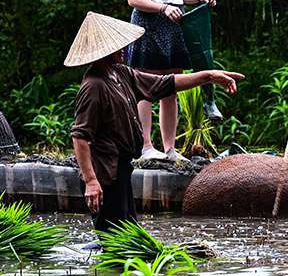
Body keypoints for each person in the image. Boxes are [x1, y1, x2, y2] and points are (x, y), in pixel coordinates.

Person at [67, 12, 243, 236]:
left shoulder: (121, 74)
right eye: (119, 45)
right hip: (105, 175)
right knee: (114, 244)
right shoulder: (94, 86)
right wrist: (91, 182)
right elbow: (80, 136)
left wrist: (207, 76)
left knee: (129, 239)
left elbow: (165, 83)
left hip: (120, 170)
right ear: (105, 51)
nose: (125, 49)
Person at [125, 0, 218, 163]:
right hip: (148, 24)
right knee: (146, 87)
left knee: (171, 88)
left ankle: (169, 150)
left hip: (176, 25)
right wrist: (163, 7)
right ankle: (145, 148)